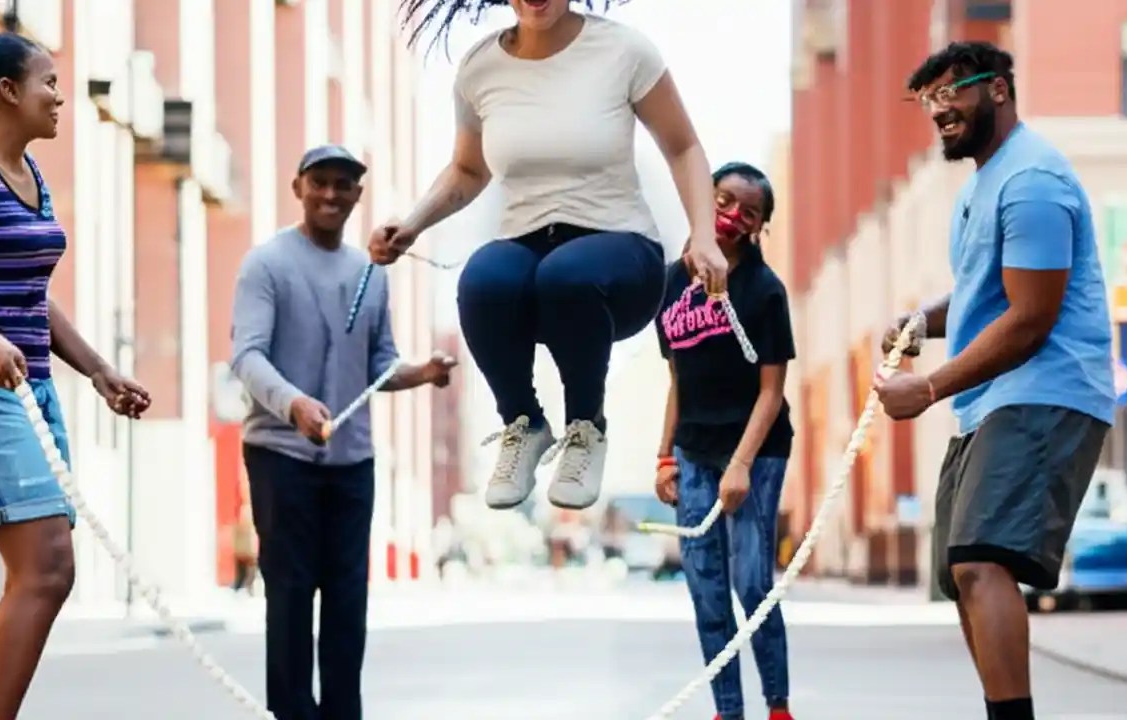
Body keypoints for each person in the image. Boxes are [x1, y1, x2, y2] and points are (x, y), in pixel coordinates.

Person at [374, 0, 730, 512]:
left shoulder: (622, 50)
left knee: (567, 275)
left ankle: (586, 427)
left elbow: (683, 147)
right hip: (531, 250)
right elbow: (468, 171)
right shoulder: (480, 69)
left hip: (622, 255)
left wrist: (704, 234)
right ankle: (525, 423)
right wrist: (412, 224)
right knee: (482, 281)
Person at [0, 16, 151, 720]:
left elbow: (30, 296)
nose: (59, 97)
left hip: (29, 389)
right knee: (46, 571)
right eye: (50, 83)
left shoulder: (31, 174)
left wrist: (99, 371)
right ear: (9, 90)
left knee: (33, 576)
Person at [874, 42, 1114, 720]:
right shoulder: (984, 184)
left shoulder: (1033, 180)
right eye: (928, 99)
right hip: (996, 398)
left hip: (1045, 388)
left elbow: (1032, 317)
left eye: (953, 92)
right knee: (963, 572)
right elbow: (989, 295)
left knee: (981, 561)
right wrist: (922, 320)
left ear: (999, 90)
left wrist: (926, 388)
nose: (939, 109)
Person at [231, 144, 457, 720]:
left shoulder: (370, 272)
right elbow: (247, 358)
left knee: (347, 603)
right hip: (281, 455)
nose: (331, 194)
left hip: (352, 463)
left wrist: (424, 373)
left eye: (343, 185)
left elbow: (380, 365)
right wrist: (294, 406)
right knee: (289, 596)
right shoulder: (266, 264)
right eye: (320, 183)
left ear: (358, 194)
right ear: (298, 188)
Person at [655, 162, 796, 720]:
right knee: (706, 590)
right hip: (694, 451)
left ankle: (778, 707)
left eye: (748, 211)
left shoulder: (764, 291)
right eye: (722, 199)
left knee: (752, 583)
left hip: (756, 451)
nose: (731, 215)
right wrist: (665, 455)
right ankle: (728, 711)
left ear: (759, 226)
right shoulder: (671, 282)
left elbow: (771, 392)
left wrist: (741, 465)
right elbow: (676, 382)